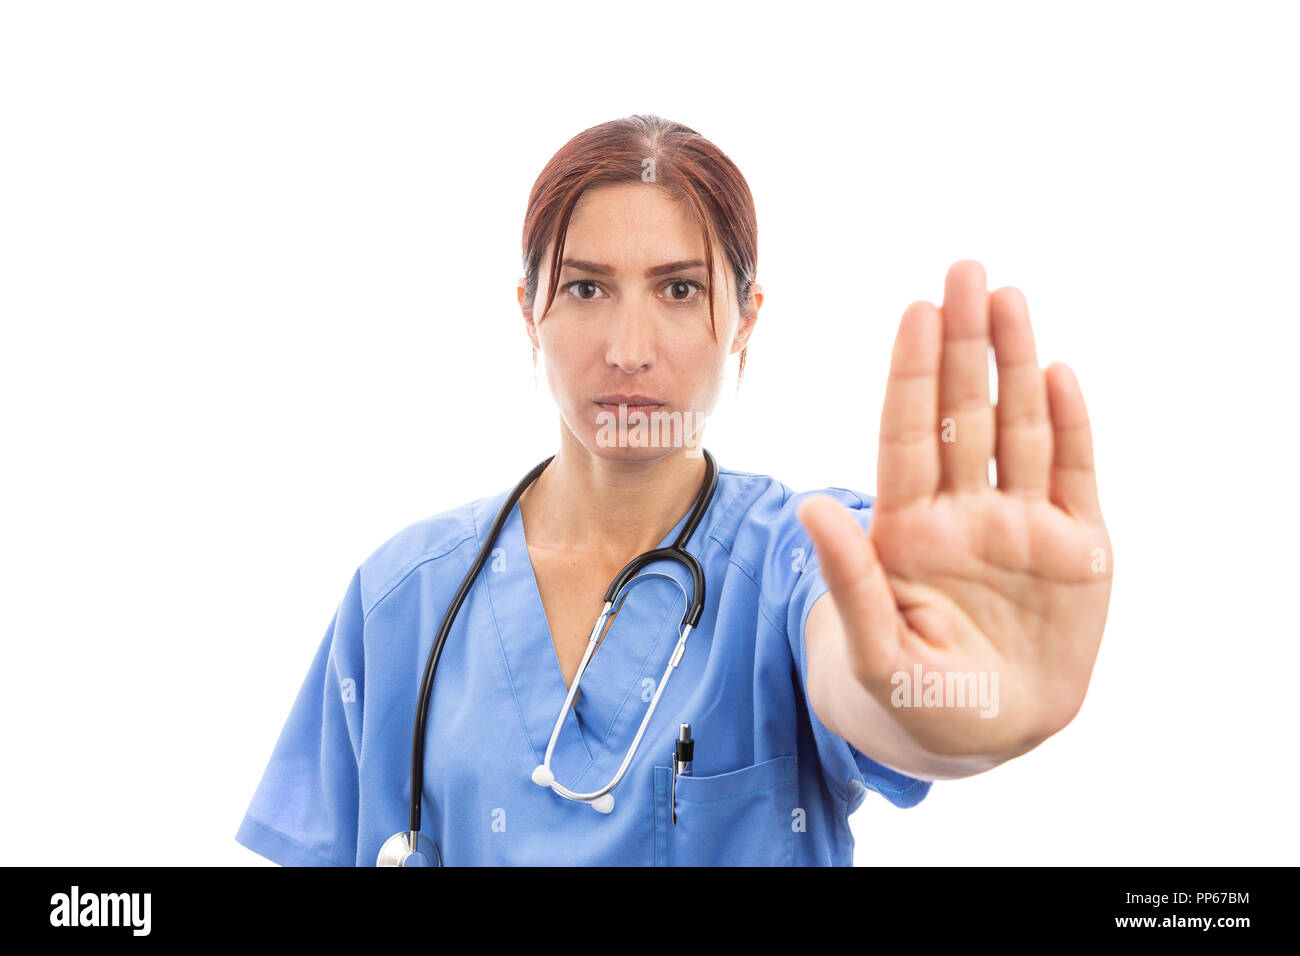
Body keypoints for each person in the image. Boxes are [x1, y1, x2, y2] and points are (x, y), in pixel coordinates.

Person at [234, 114, 1113, 866]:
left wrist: (945, 704)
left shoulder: (803, 558)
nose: (627, 348)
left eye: (680, 289)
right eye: (585, 287)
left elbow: (872, 672)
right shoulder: (403, 596)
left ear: (745, 317)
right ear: (528, 309)